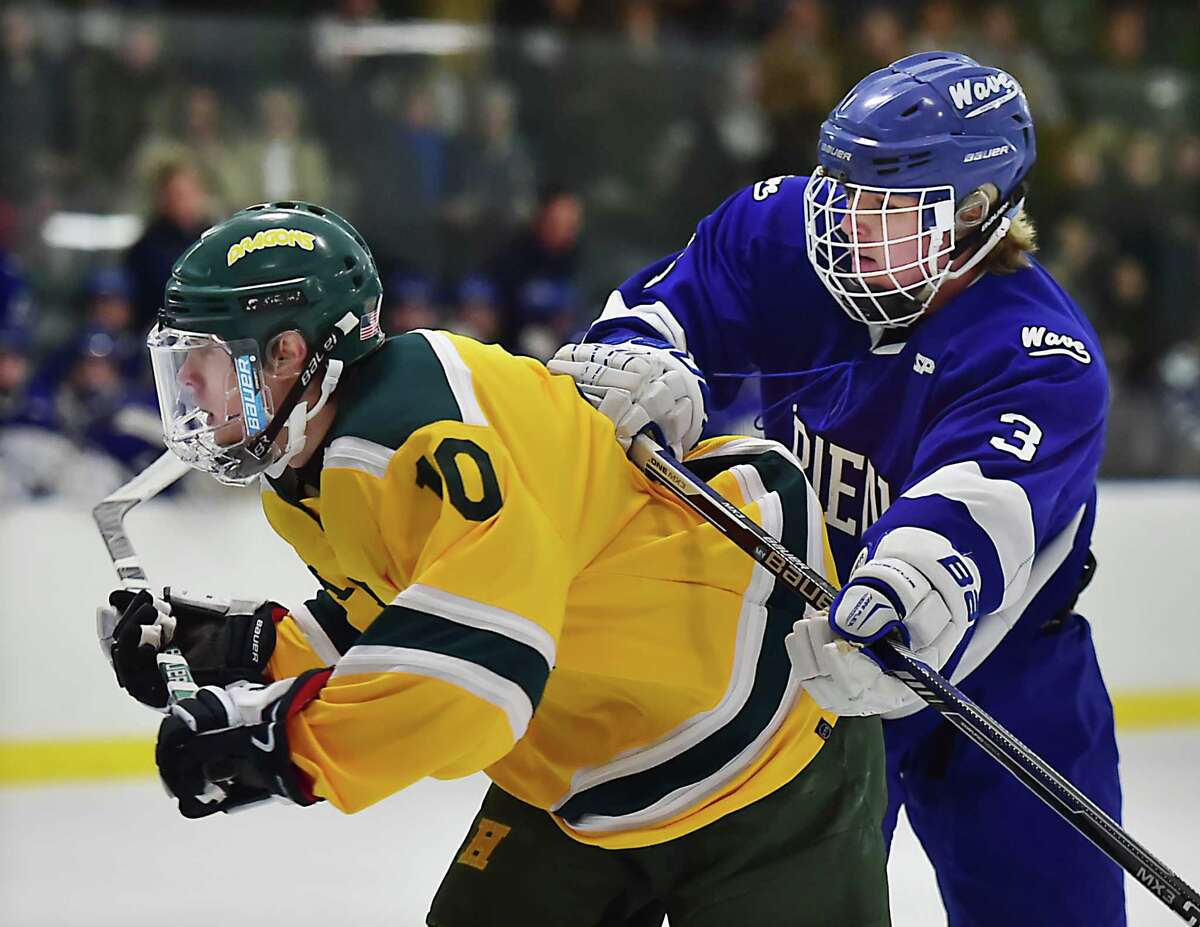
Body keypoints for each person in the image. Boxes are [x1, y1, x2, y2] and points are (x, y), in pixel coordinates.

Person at [101, 202, 891, 926]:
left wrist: (280, 743)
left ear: (286, 353)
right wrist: (249, 645)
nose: (190, 390)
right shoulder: (310, 468)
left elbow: (478, 675)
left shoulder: (414, 439)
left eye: (203, 359)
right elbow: (416, 607)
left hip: (756, 730)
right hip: (587, 756)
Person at [550, 52, 1122, 927]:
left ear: (975, 214)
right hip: (812, 658)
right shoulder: (786, 240)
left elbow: (974, 507)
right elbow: (673, 302)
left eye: (888, 209)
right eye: (843, 193)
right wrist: (637, 356)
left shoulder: (1042, 355)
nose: (848, 228)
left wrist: (912, 585)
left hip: (1010, 675)